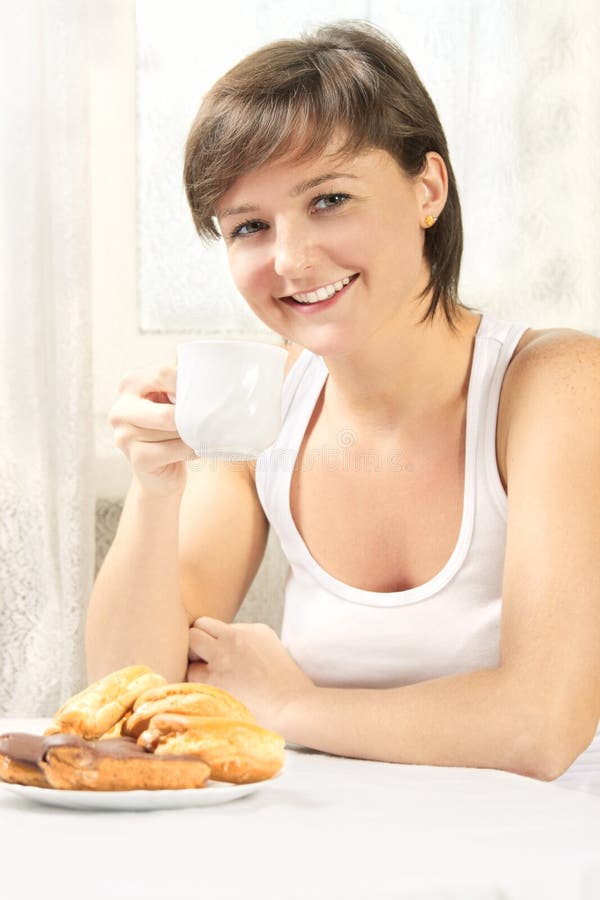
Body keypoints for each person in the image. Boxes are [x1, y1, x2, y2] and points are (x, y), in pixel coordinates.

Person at [85, 20, 600, 780]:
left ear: (428, 188)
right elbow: (134, 692)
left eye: (329, 199)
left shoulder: (556, 386)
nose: (290, 260)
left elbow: (539, 726)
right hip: (332, 849)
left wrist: (291, 705)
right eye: (249, 227)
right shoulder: (271, 406)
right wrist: (154, 486)